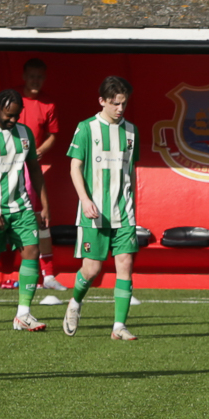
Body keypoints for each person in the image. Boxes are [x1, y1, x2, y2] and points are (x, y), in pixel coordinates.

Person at [64, 75, 141, 340]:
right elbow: (74, 166)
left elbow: (131, 171)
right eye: (115, 103)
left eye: (124, 103)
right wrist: (85, 200)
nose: (120, 108)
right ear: (102, 101)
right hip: (94, 211)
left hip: (124, 211)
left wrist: (132, 204)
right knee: (92, 270)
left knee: (125, 263)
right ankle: (75, 302)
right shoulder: (86, 128)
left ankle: (119, 326)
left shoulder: (131, 131)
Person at [0, 89, 48, 333]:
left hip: (22, 207)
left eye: (17, 116)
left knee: (32, 250)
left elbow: (35, 170)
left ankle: (23, 314)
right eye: (8, 115)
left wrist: (44, 204)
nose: (12, 120)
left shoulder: (25, 133)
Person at [18, 58, 67, 292]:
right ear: (24, 77)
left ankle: (48, 276)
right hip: (7, 171)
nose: (35, 81)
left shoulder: (48, 104)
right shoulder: (11, 99)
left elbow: (54, 135)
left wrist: (39, 151)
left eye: (39, 76)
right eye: (31, 76)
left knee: (41, 221)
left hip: (33, 172)